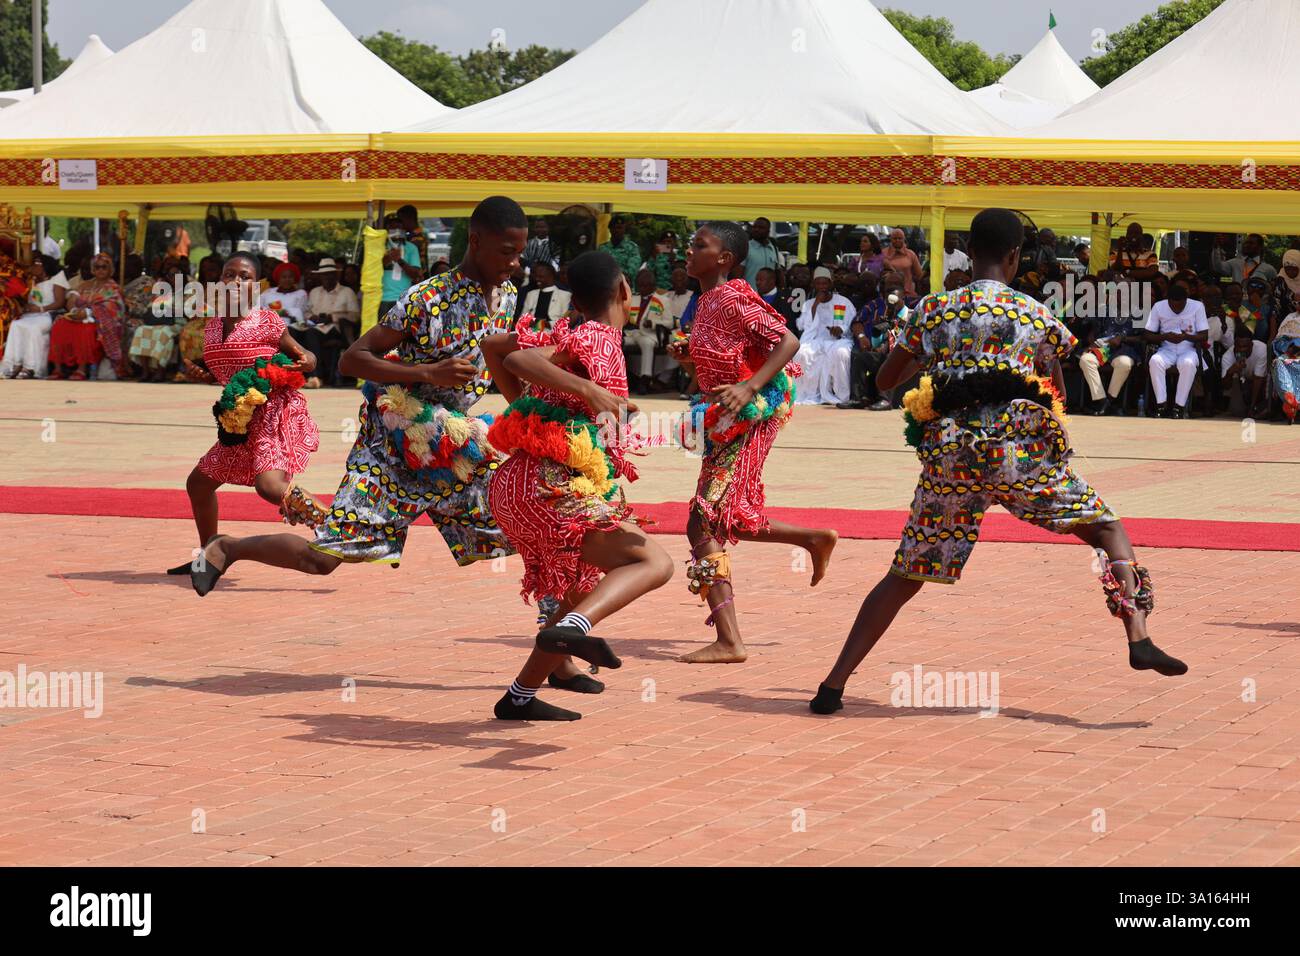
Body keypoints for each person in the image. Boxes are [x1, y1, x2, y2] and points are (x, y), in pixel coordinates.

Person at [810, 208, 1187, 716]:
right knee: (1106, 530)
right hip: (1022, 454)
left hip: (952, 457)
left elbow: (883, 382)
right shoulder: (1037, 315)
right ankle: (1137, 633)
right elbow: (1055, 389)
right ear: (1015, 257)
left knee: (905, 574)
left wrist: (941, 366)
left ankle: (833, 686)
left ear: (969, 250)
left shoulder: (931, 309)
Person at [183, 196, 527, 596]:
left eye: (519, 254)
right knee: (321, 560)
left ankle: (561, 643)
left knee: (526, 529)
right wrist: (428, 372)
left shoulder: (507, 296)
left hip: (453, 447)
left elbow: (500, 357)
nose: (514, 263)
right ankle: (227, 547)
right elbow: (352, 359)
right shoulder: (426, 299)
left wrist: (531, 413)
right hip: (391, 450)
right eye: (507, 252)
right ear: (475, 241)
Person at [481, 251, 675, 721]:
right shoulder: (597, 336)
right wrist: (589, 392)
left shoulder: (570, 336)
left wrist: (533, 403)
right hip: (549, 487)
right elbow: (518, 355)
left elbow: (493, 347)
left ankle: (520, 696)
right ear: (625, 290)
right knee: (654, 561)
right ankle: (574, 629)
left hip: (517, 488)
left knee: (576, 588)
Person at [671, 222, 838, 664]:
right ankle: (813, 539)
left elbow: (787, 341)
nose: (689, 251)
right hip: (723, 415)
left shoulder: (731, 297)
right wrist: (691, 359)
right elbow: (720, 364)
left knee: (702, 521)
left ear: (724, 259)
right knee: (725, 517)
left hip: (752, 415)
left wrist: (749, 386)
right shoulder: (704, 301)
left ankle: (730, 640)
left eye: (699, 245)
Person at [163, 253, 321, 578]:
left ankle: (334, 524)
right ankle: (210, 556)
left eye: (244, 276)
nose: (235, 281)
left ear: (257, 285)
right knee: (199, 484)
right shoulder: (211, 328)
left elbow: (307, 356)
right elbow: (225, 371)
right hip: (238, 421)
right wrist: (204, 375)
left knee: (269, 487)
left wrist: (306, 362)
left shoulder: (266, 321)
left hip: (273, 414)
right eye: (228, 274)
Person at [51, 252, 124, 380]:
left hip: (101, 323)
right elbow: (72, 301)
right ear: (93, 269)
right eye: (97, 267)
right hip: (79, 317)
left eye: (104, 267)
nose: (100, 270)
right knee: (59, 325)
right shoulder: (85, 284)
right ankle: (57, 369)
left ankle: (82, 369)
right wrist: (74, 309)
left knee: (86, 329)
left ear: (110, 269)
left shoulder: (114, 288)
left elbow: (114, 309)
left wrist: (89, 312)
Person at [793, 266, 856, 406]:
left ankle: (842, 396)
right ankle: (808, 393)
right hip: (815, 340)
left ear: (830, 283)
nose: (822, 287)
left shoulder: (842, 302)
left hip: (838, 341)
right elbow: (803, 326)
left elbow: (849, 323)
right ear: (814, 285)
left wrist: (840, 329)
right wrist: (815, 304)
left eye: (825, 283)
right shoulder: (809, 304)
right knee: (802, 353)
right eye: (818, 283)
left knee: (841, 353)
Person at [1146, 283, 1209, 419]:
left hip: (1188, 348)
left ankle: (1179, 407)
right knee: (1155, 361)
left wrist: (1186, 336)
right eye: (1173, 305)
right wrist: (1165, 336)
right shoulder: (1159, 306)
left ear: (1186, 300)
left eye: (1180, 305)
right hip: (1166, 348)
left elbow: (1204, 335)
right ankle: (1161, 405)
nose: (1177, 309)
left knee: (1187, 363)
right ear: (1168, 300)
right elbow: (1148, 334)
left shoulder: (1197, 306)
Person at [1, 255, 67, 379]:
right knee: (16, 325)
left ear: (44, 266)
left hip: (49, 314)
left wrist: (41, 309)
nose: (34, 267)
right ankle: (14, 364)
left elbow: (60, 302)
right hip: (32, 314)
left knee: (32, 327)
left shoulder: (57, 278)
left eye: (37, 264)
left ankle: (30, 367)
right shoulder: (31, 281)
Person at [1078, 300, 1142, 416]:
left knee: (1124, 363)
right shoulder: (1103, 310)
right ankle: (1101, 400)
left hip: (1124, 349)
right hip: (1103, 348)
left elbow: (1143, 338)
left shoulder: (1138, 312)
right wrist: (1092, 344)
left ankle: (1110, 400)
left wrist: (1122, 339)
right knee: (1086, 359)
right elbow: (1092, 332)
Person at [300, 258, 356, 387]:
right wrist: (312, 317)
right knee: (295, 332)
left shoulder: (347, 292)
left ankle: (316, 377)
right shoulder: (314, 292)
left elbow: (355, 315)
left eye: (329, 274)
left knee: (311, 334)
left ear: (336, 275)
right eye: (323, 275)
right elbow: (307, 311)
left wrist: (333, 317)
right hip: (315, 326)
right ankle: (294, 375)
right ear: (319, 276)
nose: (326, 277)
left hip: (336, 328)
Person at [623, 269, 672, 393]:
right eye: (640, 285)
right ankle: (622, 377)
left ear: (653, 285)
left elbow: (670, 323)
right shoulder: (632, 299)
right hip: (631, 334)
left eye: (646, 285)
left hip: (650, 335)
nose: (642, 288)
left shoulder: (663, 300)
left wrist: (653, 323)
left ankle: (645, 378)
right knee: (617, 341)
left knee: (646, 343)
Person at [379, 215, 422, 321]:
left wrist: (399, 260)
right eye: (392, 227)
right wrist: (387, 258)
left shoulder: (411, 248)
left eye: (399, 227)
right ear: (387, 229)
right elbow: (371, 270)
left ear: (404, 229)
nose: (396, 230)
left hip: (402, 299)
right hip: (380, 299)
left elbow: (416, 274)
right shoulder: (379, 246)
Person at [520, 261, 571, 331]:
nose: (537, 279)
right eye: (536, 276)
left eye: (541, 277)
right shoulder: (531, 294)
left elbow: (565, 321)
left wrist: (543, 323)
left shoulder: (565, 295)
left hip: (552, 334)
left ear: (551, 276)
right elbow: (523, 319)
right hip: (531, 333)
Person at [1212, 233, 1277, 286]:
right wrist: (1216, 247)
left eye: (1251, 243)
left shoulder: (1269, 269)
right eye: (1246, 243)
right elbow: (1218, 267)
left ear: (1260, 247)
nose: (1246, 245)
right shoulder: (1235, 263)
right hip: (1238, 300)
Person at [1271, 312, 1300, 423]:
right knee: (1278, 363)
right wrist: (1290, 346)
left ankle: (1292, 404)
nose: (1298, 306)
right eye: (1295, 303)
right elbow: (1278, 342)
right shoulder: (1290, 318)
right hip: (1292, 354)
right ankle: (1289, 399)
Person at [599, 216, 642, 285]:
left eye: (620, 228)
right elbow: (598, 269)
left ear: (624, 229)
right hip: (605, 288)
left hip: (625, 289)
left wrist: (611, 273)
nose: (617, 230)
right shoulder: (602, 248)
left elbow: (632, 271)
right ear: (610, 229)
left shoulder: (632, 248)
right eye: (614, 228)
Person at [881, 228, 924, 296]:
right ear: (891, 239)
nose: (897, 240)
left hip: (908, 294)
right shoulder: (883, 253)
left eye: (900, 238)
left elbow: (920, 276)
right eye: (895, 238)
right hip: (888, 294)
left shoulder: (911, 254)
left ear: (904, 239)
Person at [743, 217, 780, 290]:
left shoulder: (773, 249)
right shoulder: (746, 247)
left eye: (761, 227)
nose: (756, 229)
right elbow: (738, 275)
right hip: (750, 296)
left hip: (769, 297)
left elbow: (778, 272)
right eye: (754, 227)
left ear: (768, 231)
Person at [396, 204, 429, 275]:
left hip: (418, 277)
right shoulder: (414, 235)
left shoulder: (417, 238)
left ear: (409, 218)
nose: (399, 224)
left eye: (400, 220)